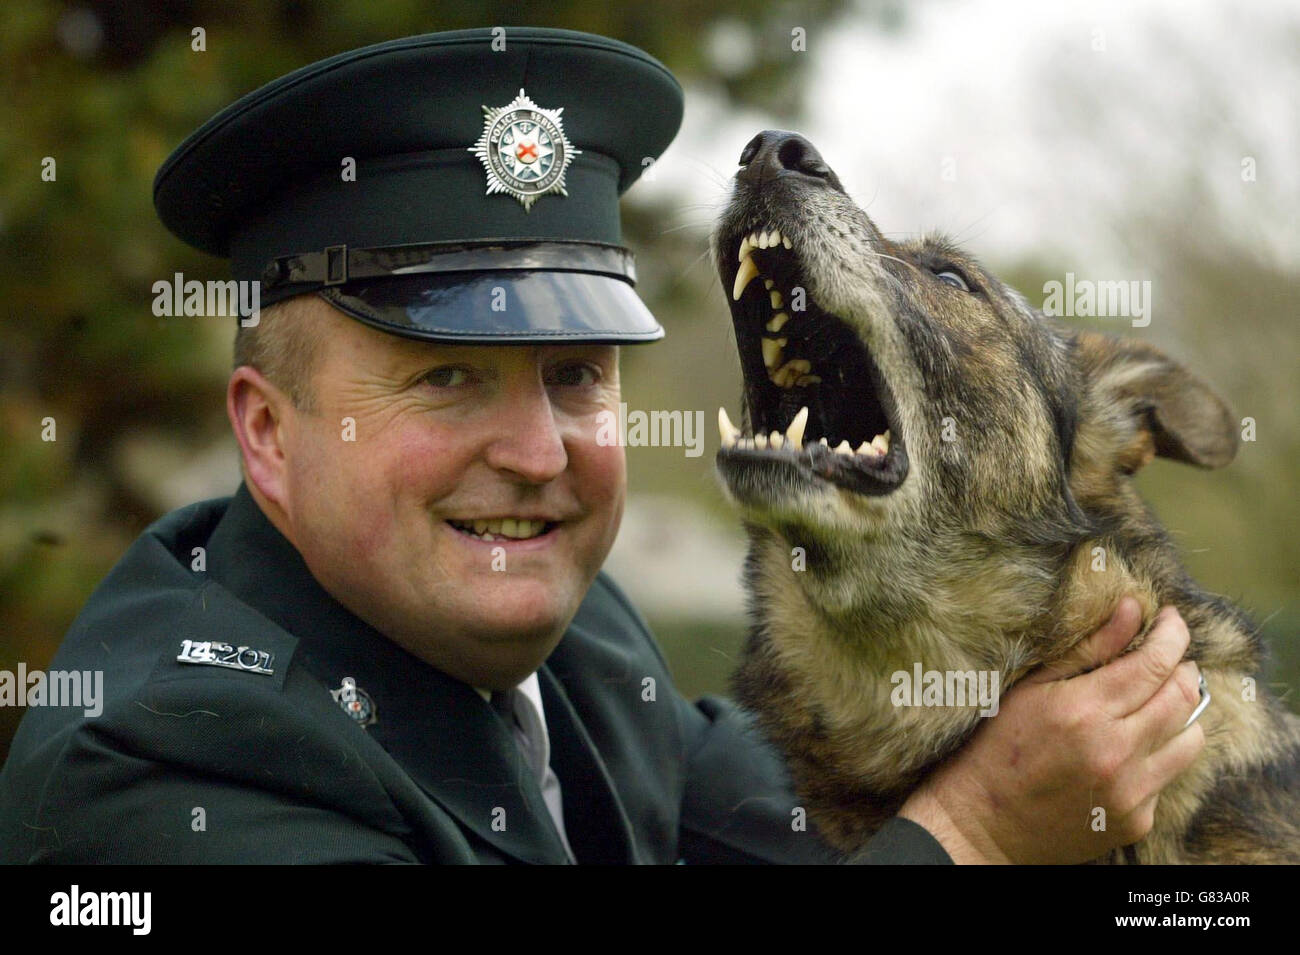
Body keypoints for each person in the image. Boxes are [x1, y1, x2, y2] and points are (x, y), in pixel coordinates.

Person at [0, 27, 1205, 864]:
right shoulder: (164, 762)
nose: (538, 455)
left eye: (574, 377)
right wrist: (978, 839)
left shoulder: (575, 645)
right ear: (269, 431)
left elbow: (809, 839)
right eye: (449, 379)